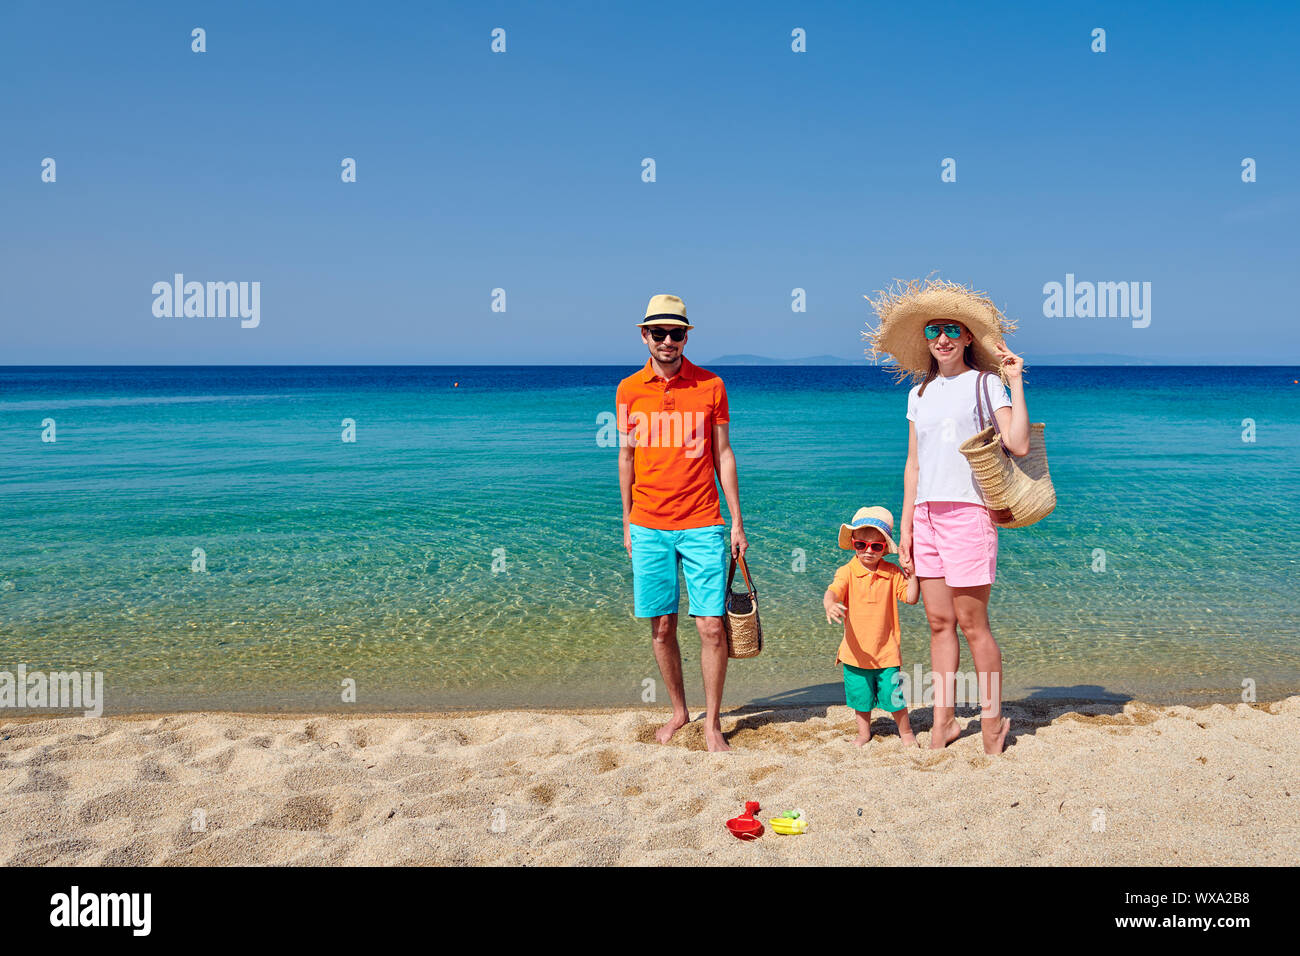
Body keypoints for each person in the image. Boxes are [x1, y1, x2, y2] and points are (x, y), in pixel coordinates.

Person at [866, 279, 1031, 754]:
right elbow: (913, 463)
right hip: (927, 516)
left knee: (972, 622)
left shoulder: (986, 383)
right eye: (934, 329)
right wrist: (906, 528)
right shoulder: (919, 393)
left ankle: (993, 719)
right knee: (938, 623)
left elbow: (1018, 444)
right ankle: (945, 721)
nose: (942, 338)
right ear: (926, 339)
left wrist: (1016, 380)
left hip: (970, 512)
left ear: (966, 338)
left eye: (952, 330)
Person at [616, 294, 747, 753]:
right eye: (659, 332)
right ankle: (679, 711)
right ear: (644, 335)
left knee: (711, 626)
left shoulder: (711, 385)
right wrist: (627, 521)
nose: (667, 340)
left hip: (704, 522)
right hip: (648, 524)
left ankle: (712, 722)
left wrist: (736, 521)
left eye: (676, 333)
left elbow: (723, 454)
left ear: (687, 336)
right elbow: (627, 456)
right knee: (661, 627)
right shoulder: (629, 390)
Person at [822, 507, 920, 746]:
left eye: (876, 546)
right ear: (853, 544)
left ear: (884, 548)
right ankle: (864, 733)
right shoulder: (846, 572)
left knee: (894, 696)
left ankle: (906, 732)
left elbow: (911, 597)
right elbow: (833, 591)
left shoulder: (892, 572)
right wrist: (829, 604)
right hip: (855, 653)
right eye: (861, 545)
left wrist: (914, 575)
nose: (868, 551)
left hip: (886, 652)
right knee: (860, 699)